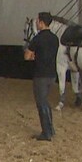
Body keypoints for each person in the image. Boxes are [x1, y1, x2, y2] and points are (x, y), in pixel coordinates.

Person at [24, 12, 59, 141]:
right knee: (45, 101)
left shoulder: (38, 38)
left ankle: (46, 132)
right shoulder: (55, 38)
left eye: (38, 21)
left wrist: (33, 55)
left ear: (41, 22)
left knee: (41, 103)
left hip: (41, 75)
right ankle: (51, 129)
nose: (37, 24)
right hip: (52, 74)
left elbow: (27, 56)